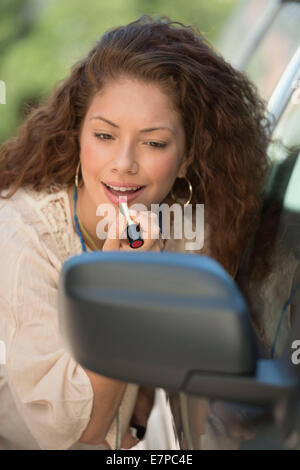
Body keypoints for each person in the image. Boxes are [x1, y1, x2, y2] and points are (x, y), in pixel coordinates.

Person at [0, 15, 272, 450]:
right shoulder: (20, 233)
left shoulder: (188, 228)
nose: (123, 162)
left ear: (186, 158)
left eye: (154, 143)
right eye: (105, 135)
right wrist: (118, 277)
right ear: (78, 135)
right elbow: (74, 432)